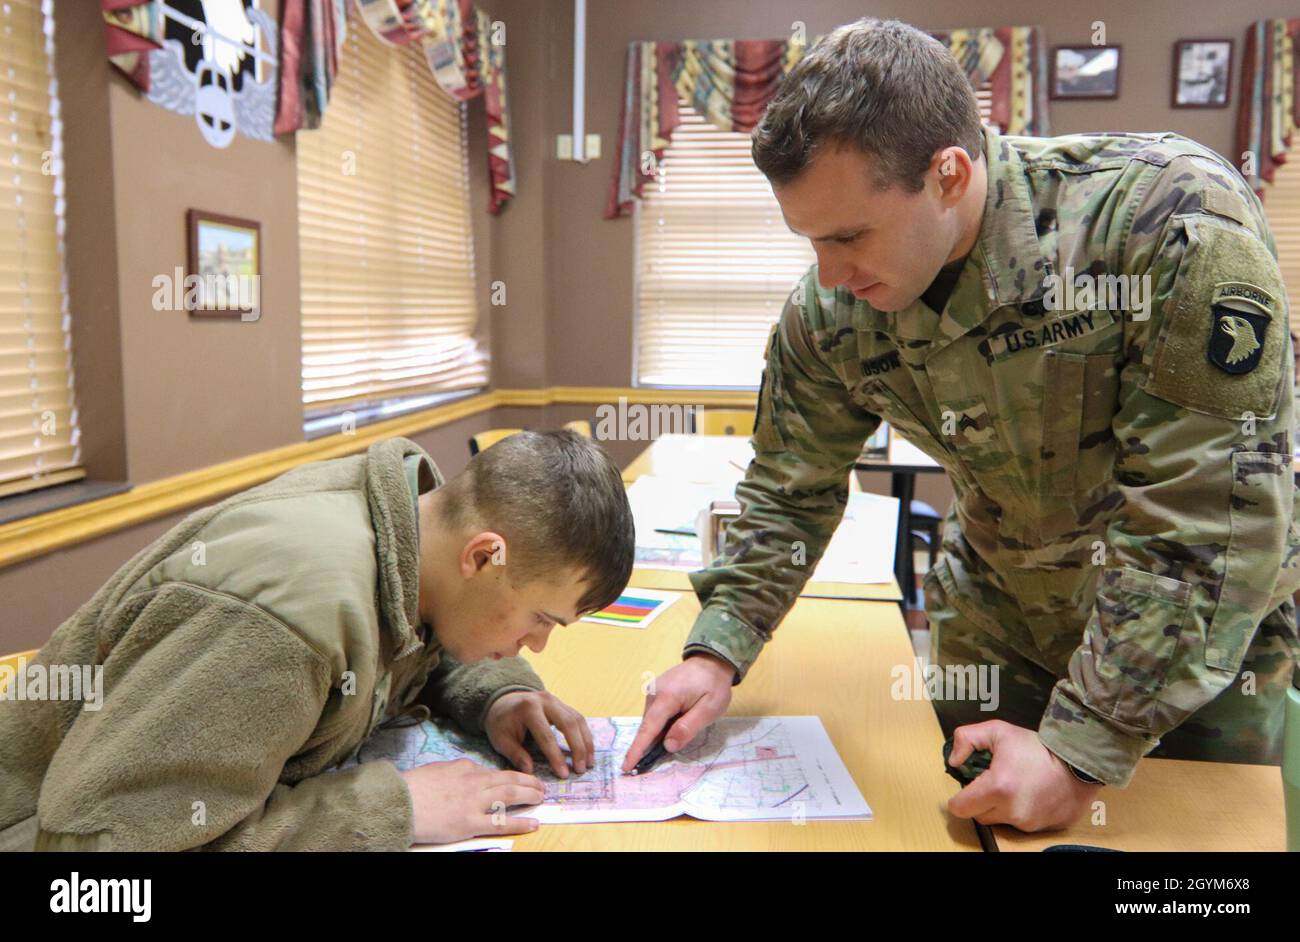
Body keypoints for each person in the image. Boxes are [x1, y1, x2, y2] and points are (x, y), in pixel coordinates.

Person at [624, 18, 1300, 833]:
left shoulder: (1162, 219)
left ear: (948, 174)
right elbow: (787, 494)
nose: (828, 274)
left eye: (848, 236)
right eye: (808, 240)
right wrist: (716, 649)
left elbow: (1209, 522)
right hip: (998, 630)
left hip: (1187, 658)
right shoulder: (834, 310)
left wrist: (1083, 747)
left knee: (1181, 873)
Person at [0, 431, 635, 850]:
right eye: (542, 620)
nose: (540, 646)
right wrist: (393, 809)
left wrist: (496, 695)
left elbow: (401, 641)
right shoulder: (281, 624)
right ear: (484, 556)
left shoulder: (418, 535)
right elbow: (95, 854)